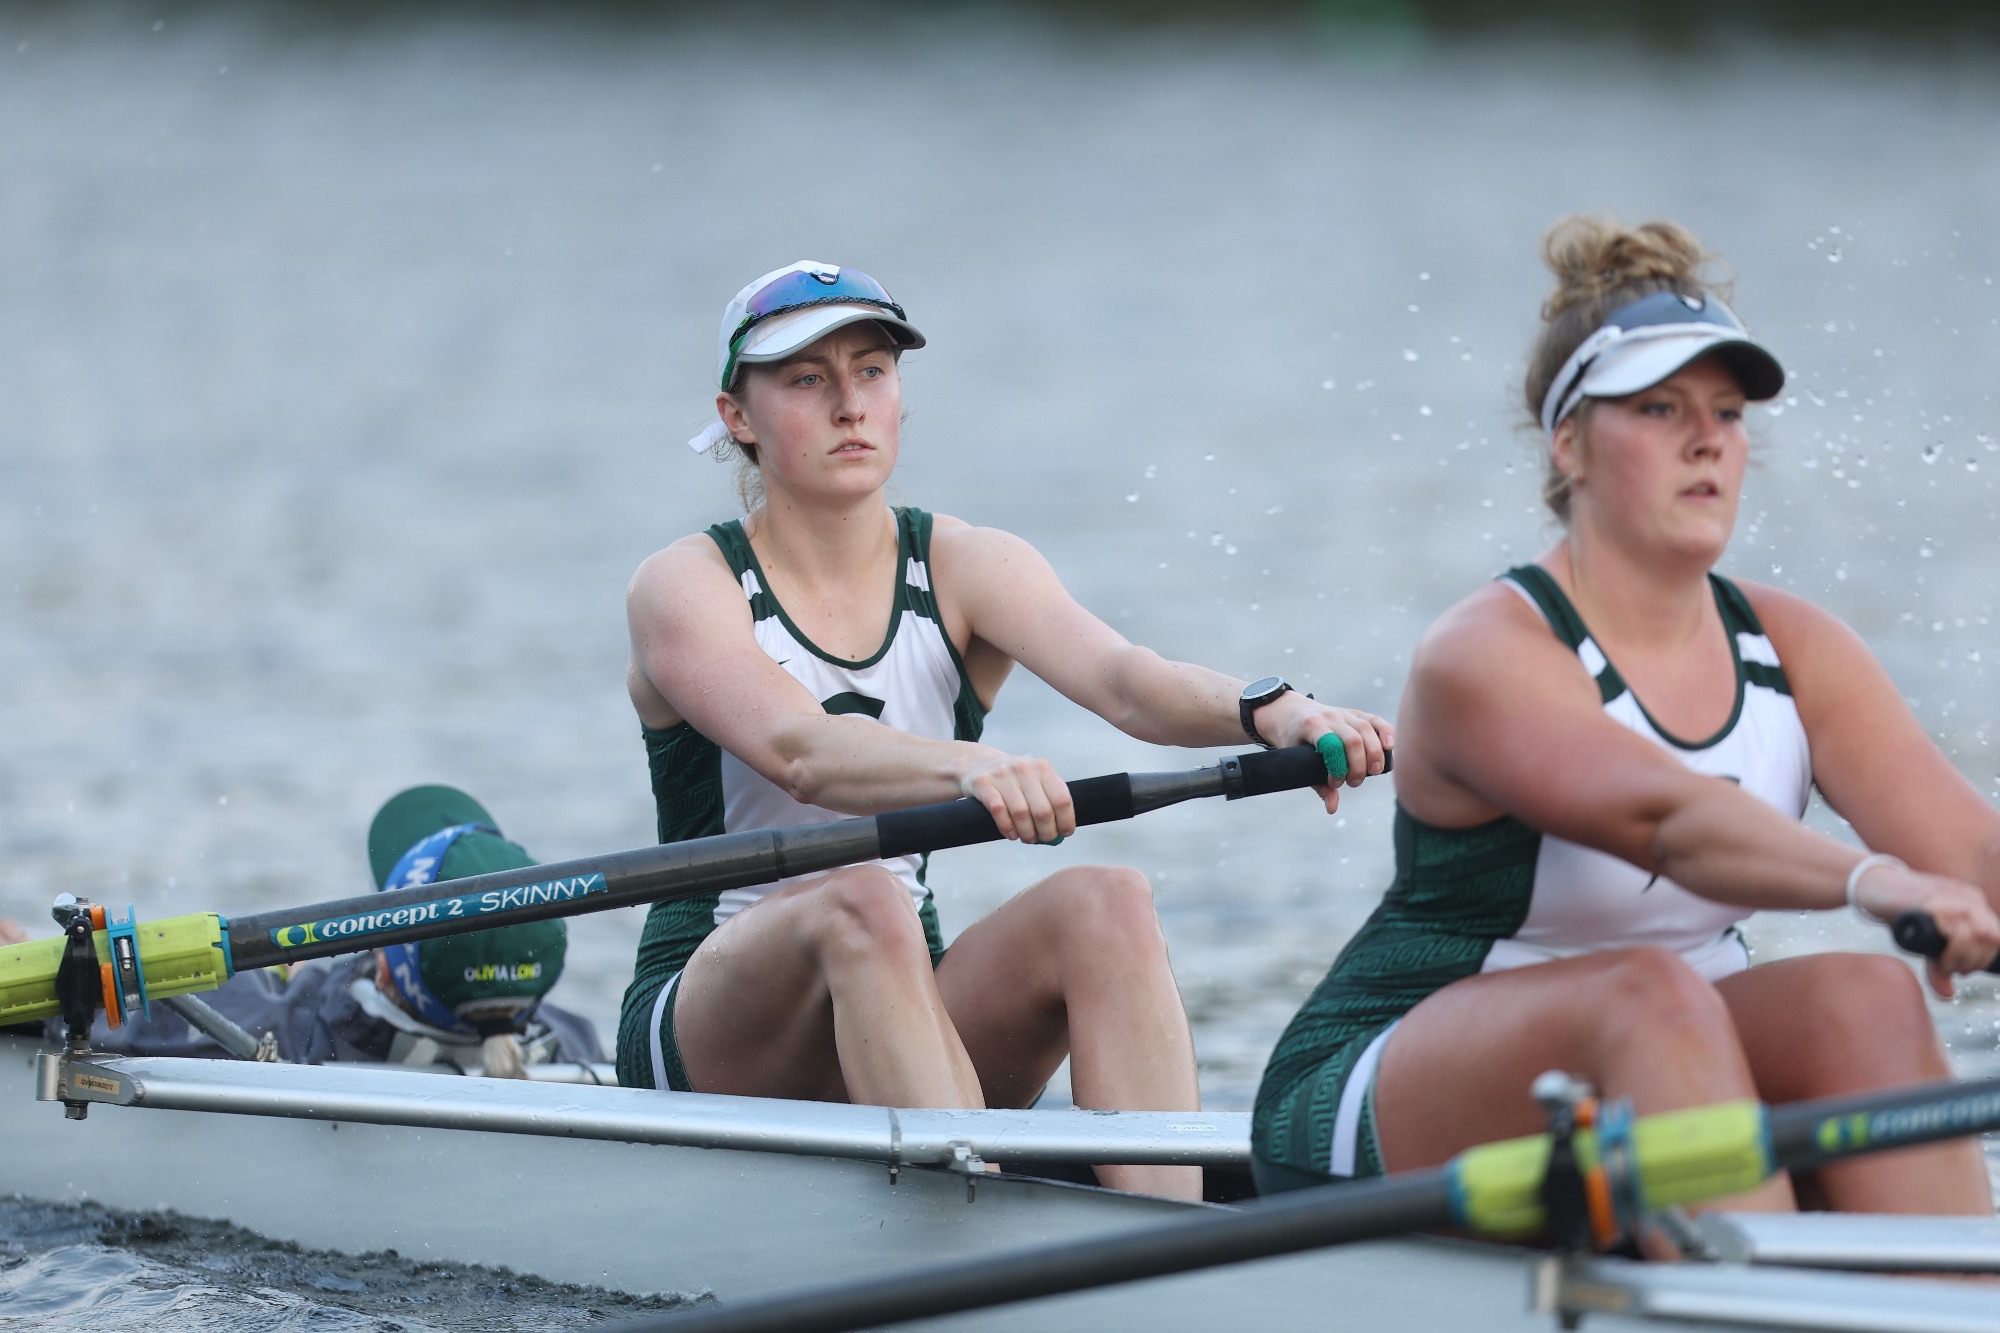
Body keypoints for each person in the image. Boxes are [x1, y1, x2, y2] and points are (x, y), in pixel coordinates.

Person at [1252, 217, 2000, 1220]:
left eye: (1727, 413)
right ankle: (1756, 1283)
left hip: (1671, 1059)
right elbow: (1667, 821)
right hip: (1378, 1084)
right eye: (1658, 408)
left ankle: (1940, 1289)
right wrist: (1876, 881)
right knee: (1647, 993)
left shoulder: (1793, 647)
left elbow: (1972, 853)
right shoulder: (1485, 652)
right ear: (1568, 444)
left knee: (1864, 997)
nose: (1707, 439)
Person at [616, 260, 1393, 1200]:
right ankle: (973, 1219)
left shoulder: (965, 563)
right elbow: (801, 751)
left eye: (872, 372)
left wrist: (1275, 709)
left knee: (1108, 900)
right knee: (862, 896)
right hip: (712, 1031)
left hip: (902, 998)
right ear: (738, 416)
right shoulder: (685, 585)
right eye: (807, 379)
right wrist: (971, 767)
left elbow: (1125, 682)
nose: (849, 405)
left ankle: (1167, 1237)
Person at [30, 786, 602, 1074]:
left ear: (385, 961)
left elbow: (105, 1010)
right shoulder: (576, 1046)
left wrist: (43, 974)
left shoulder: (287, 1029)